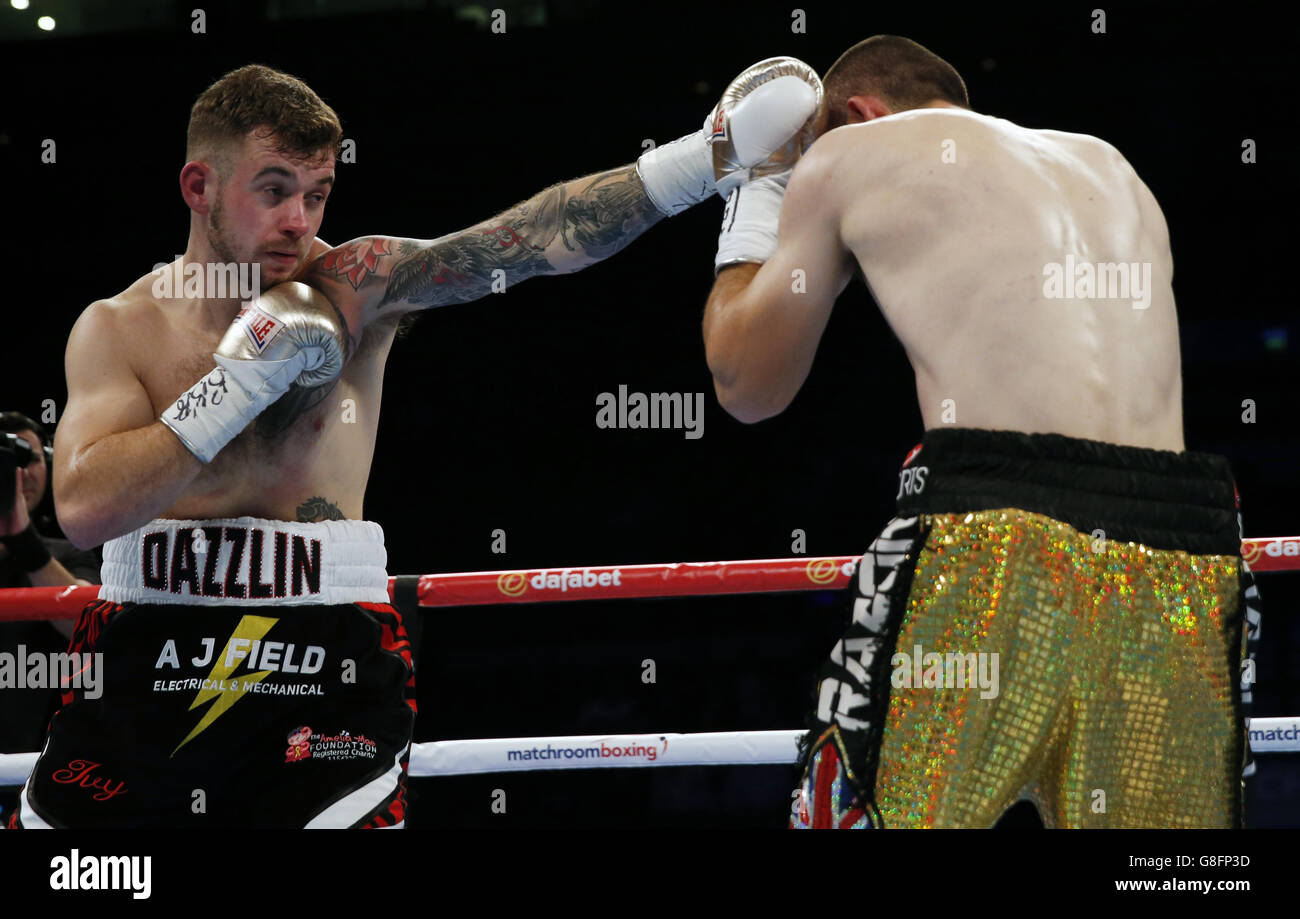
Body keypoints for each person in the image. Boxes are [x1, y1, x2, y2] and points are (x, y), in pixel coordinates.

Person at [13, 60, 820, 828]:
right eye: (274, 191)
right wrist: (237, 386)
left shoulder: (354, 286)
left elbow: (530, 237)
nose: (300, 221)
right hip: (142, 651)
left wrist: (703, 158)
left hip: (319, 653)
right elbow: (83, 510)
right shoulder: (116, 327)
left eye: (318, 193)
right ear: (200, 186)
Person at [699, 35, 1260, 828]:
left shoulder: (850, 151)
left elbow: (745, 384)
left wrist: (758, 200)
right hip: (1187, 552)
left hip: (997, 536)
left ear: (858, 113)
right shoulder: (1112, 167)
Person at [0, 412, 100, 824]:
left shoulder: (72, 552)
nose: (18, 471)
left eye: (29, 457)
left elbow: (90, 630)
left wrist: (21, 537)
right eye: (8, 458)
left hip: (36, 775)